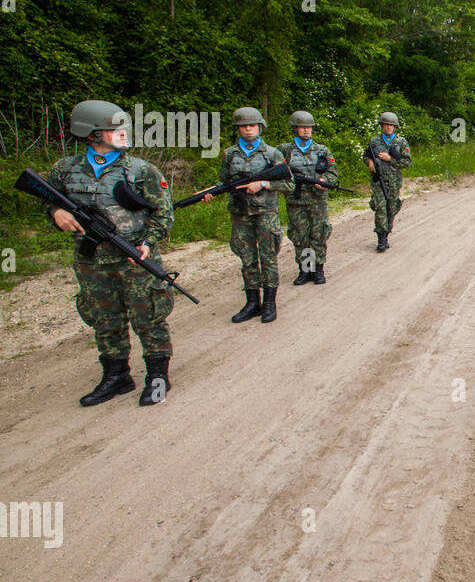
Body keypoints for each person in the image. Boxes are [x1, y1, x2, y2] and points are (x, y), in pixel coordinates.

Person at [45, 100, 176, 406]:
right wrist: (55, 211)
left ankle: (158, 375)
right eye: (113, 128)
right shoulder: (64, 170)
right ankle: (116, 375)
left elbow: (164, 214)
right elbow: (47, 197)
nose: (123, 133)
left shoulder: (142, 170)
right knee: (104, 318)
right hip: (91, 260)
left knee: (149, 316)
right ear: (90, 133)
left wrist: (147, 243)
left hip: (135, 257)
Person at [204, 107, 292, 323]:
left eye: (252, 125)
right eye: (244, 126)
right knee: (247, 259)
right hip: (240, 214)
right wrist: (210, 191)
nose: (248, 129)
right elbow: (225, 182)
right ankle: (253, 302)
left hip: (265, 214)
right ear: (238, 129)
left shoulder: (273, 154)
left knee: (268, 258)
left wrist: (263, 184)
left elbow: (289, 183)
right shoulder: (229, 154)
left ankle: (270, 303)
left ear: (259, 127)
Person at [283, 110, 335, 285]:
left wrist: (324, 180)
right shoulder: (285, 151)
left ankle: (318, 269)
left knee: (319, 234)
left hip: (317, 199)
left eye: (309, 127)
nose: (306, 130)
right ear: (295, 129)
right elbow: (275, 173)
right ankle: (305, 269)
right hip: (295, 200)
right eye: (302, 127)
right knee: (300, 235)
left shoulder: (322, 150)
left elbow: (333, 173)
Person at [364, 111, 412, 252]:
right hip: (378, 181)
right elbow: (365, 156)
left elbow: (407, 162)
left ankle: (387, 232)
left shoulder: (401, 142)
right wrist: (370, 162)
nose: (389, 127)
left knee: (391, 209)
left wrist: (390, 159)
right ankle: (381, 238)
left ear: (395, 127)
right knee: (380, 207)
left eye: (391, 125)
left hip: (394, 182)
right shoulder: (374, 141)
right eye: (386, 125)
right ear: (382, 126)